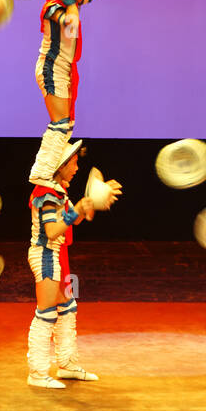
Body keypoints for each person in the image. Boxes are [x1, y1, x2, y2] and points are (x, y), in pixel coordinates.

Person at [27, 140, 121, 388]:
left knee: (67, 308)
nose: (77, 167)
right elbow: (51, 231)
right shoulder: (46, 196)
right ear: (60, 165)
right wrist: (75, 210)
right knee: (46, 313)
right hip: (46, 256)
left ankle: (67, 365)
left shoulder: (58, 192)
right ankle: (37, 372)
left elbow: (76, 220)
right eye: (74, 162)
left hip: (58, 255)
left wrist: (93, 200)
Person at [28, 0, 96, 188]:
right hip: (52, 68)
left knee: (65, 126)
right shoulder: (53, 7)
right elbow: (71, 28)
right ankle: (41, 172)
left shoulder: (68, 4)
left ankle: (52, 172)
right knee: (59, 123)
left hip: (63, 70)